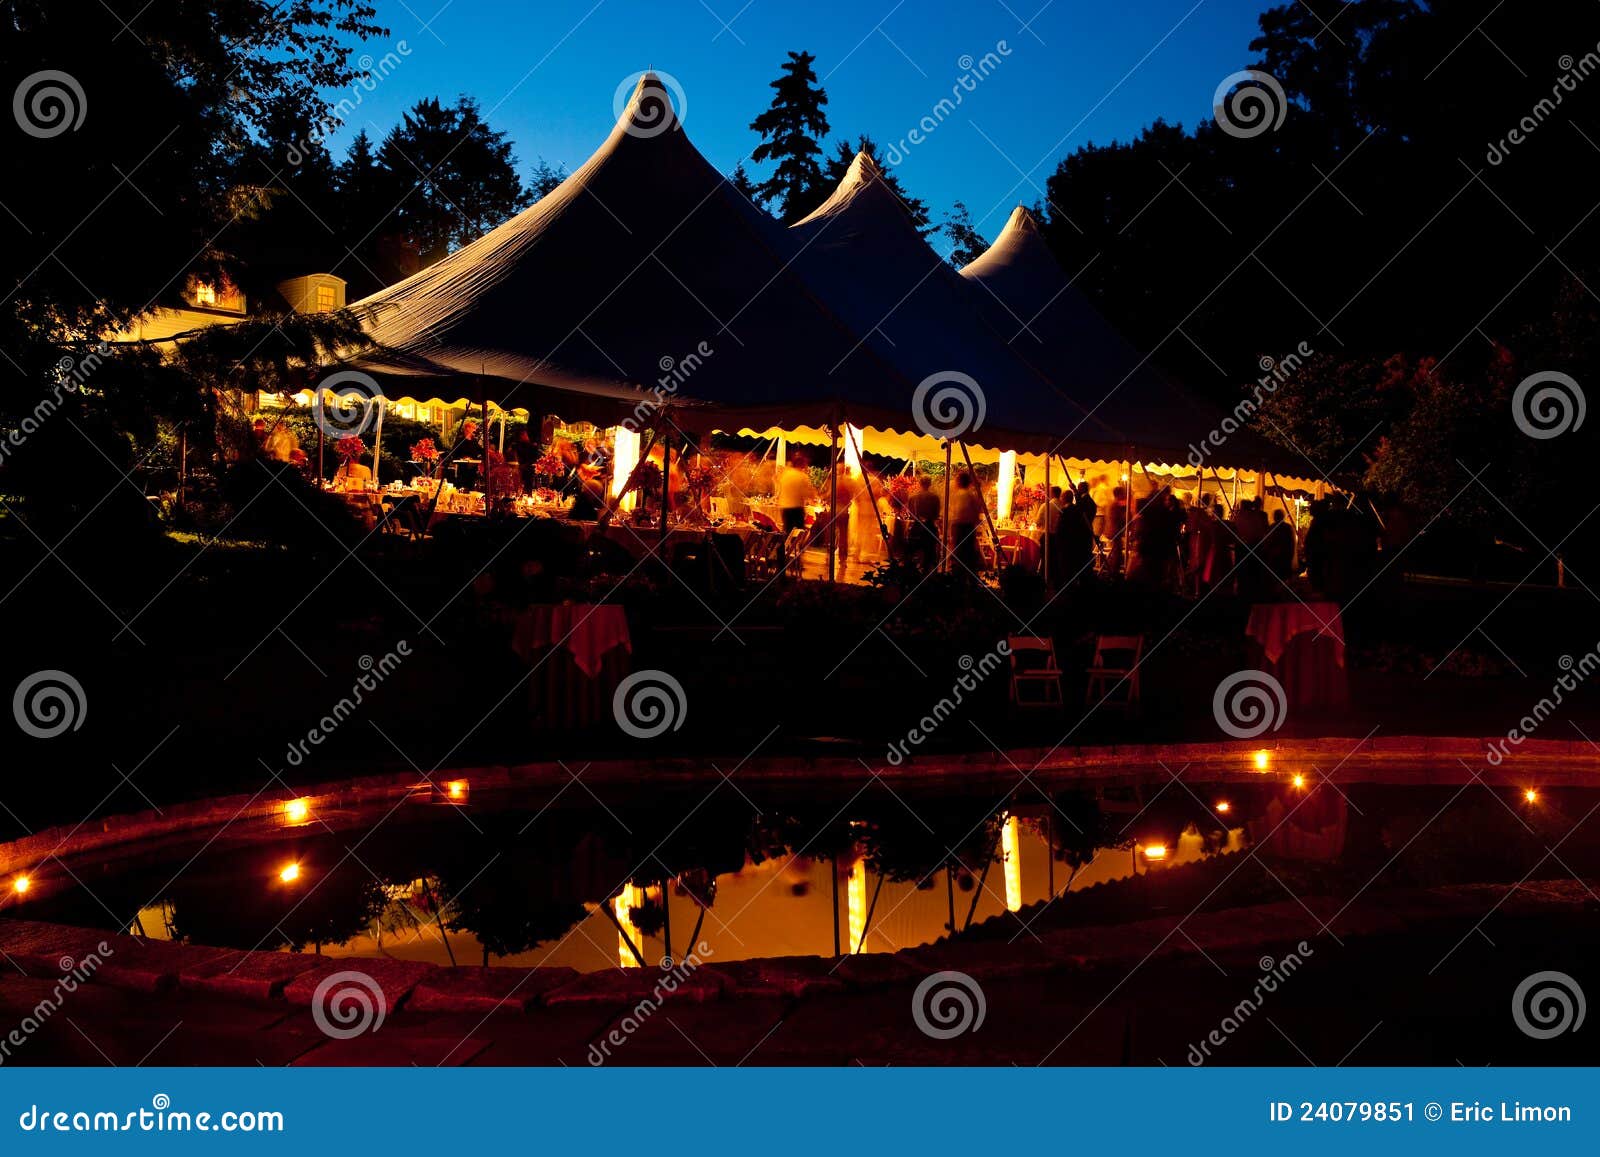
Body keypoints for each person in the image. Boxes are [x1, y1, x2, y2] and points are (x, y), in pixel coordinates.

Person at [949, 471, 985, 576]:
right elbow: (976, 513)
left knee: (959, 553)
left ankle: (958, 576)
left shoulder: (958, 496)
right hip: (968, 528)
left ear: (959, 482)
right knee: (967, 554)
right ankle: (967, 576)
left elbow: (956, 513)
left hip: (960, 528)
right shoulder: (971, 496)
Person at [907, 475, 941, 570]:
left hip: (916, 527)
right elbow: (936, 514)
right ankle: (927, 573)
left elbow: (910, 513)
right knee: (930, 553)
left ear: (920, 483)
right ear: (929, 484)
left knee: (912, 551)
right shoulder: (935, 498)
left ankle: (912, 572)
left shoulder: (913, 497)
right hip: (929, 527)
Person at [775, 453, 813, 533]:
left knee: (787, 530)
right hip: (796, 508)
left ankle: (786, 545)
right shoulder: (802, 476)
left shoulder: (786, 474)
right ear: (801, 464)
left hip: (785, 507)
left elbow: (780, 487)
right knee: (798, 532)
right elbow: (808, 493)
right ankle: (795, 545)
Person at [1263, 508, 1296, 580]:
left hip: (1276, 556)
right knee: (1283, 576)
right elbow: (1292, 542)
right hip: (1284, 555)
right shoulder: (1287, 527)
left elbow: (1267, 542)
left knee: (1276, 577)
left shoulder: (1272, 528)